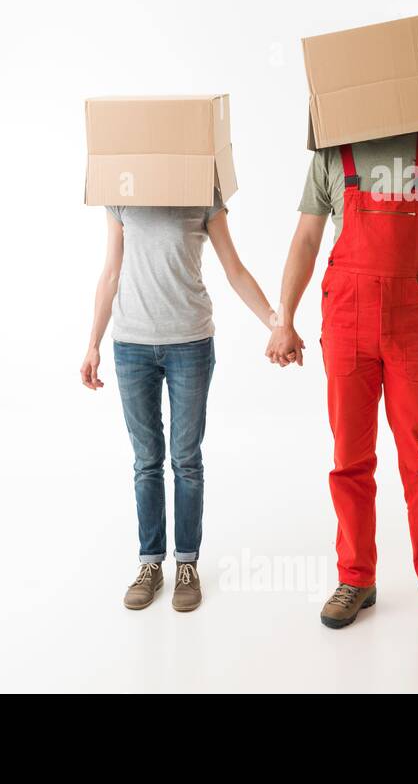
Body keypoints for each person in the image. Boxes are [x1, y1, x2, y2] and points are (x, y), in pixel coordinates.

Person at [265, 128, 418, 647]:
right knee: (350, 459)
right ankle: (356, 578)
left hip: (412, 326)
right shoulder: (334, 148)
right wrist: (284, 319)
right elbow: (307, 240)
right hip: (347, 323)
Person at [81, 193, 277, 611]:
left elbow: (234, 269)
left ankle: (187, 564)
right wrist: (92, 343)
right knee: (146, 459)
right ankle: (150, 563)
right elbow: (111, 271)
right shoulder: (122, 192)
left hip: (189, 342)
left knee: (186, 459)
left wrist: (277, 323)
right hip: (131, 346)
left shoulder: (202, 189)